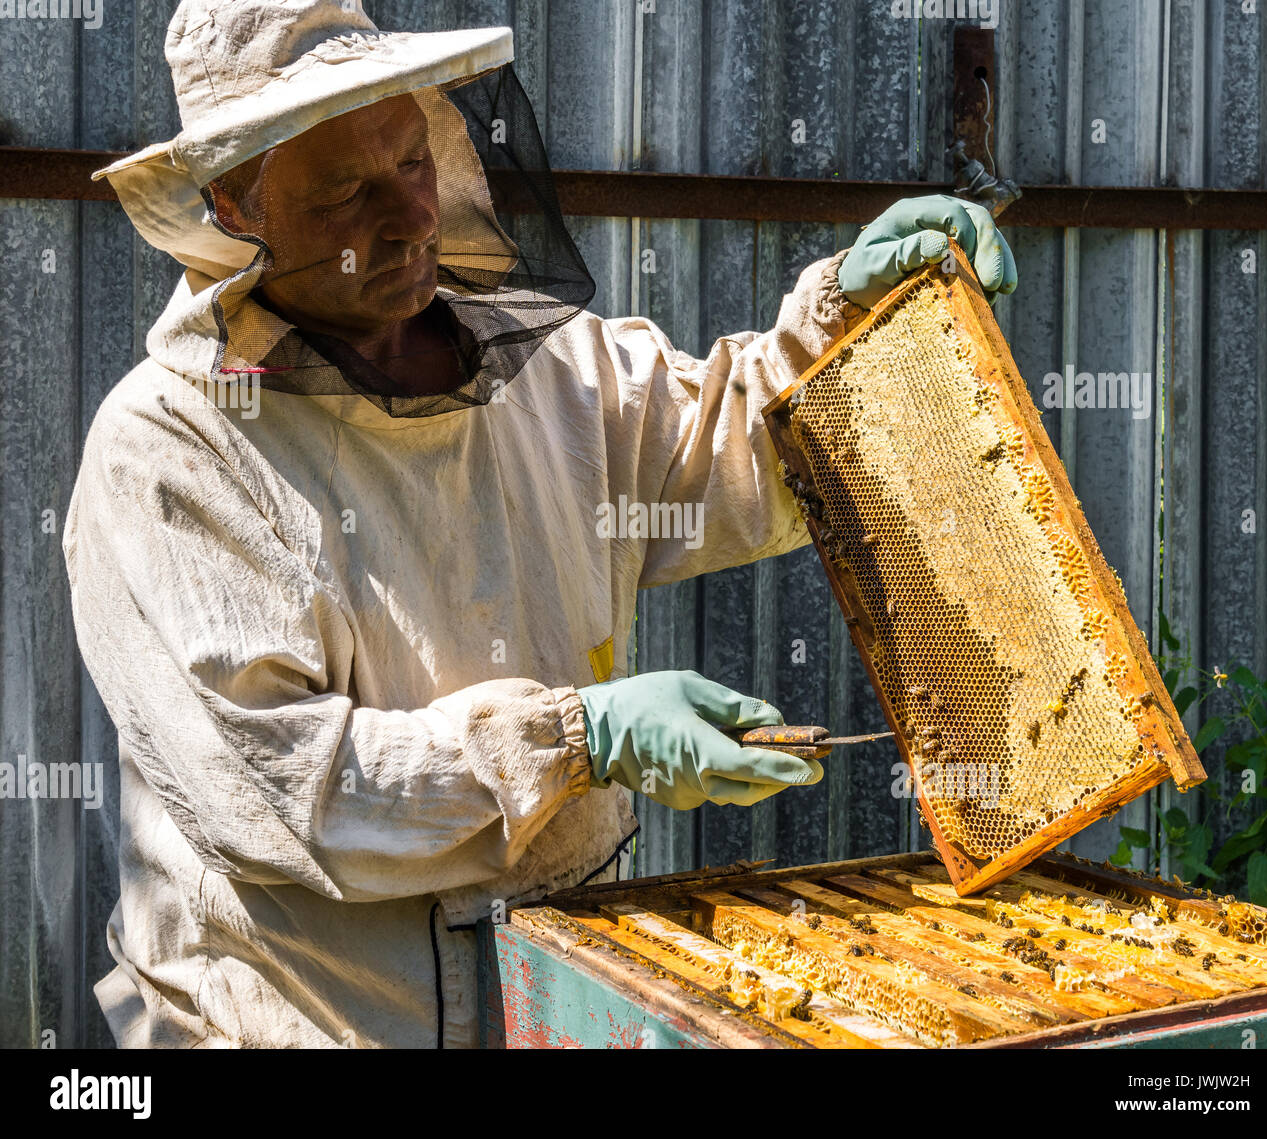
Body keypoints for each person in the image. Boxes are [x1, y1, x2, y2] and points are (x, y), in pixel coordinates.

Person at [64, 0, 1017, 1048]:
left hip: (563, 998)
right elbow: (287, 791)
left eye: (414, 162)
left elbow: (744, 447)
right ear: (236, 205)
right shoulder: (171, 448)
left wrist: (851, 325)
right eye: (347, 190)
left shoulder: (549, 369)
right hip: (311, 1021)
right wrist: (577, 737)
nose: (412, 215)